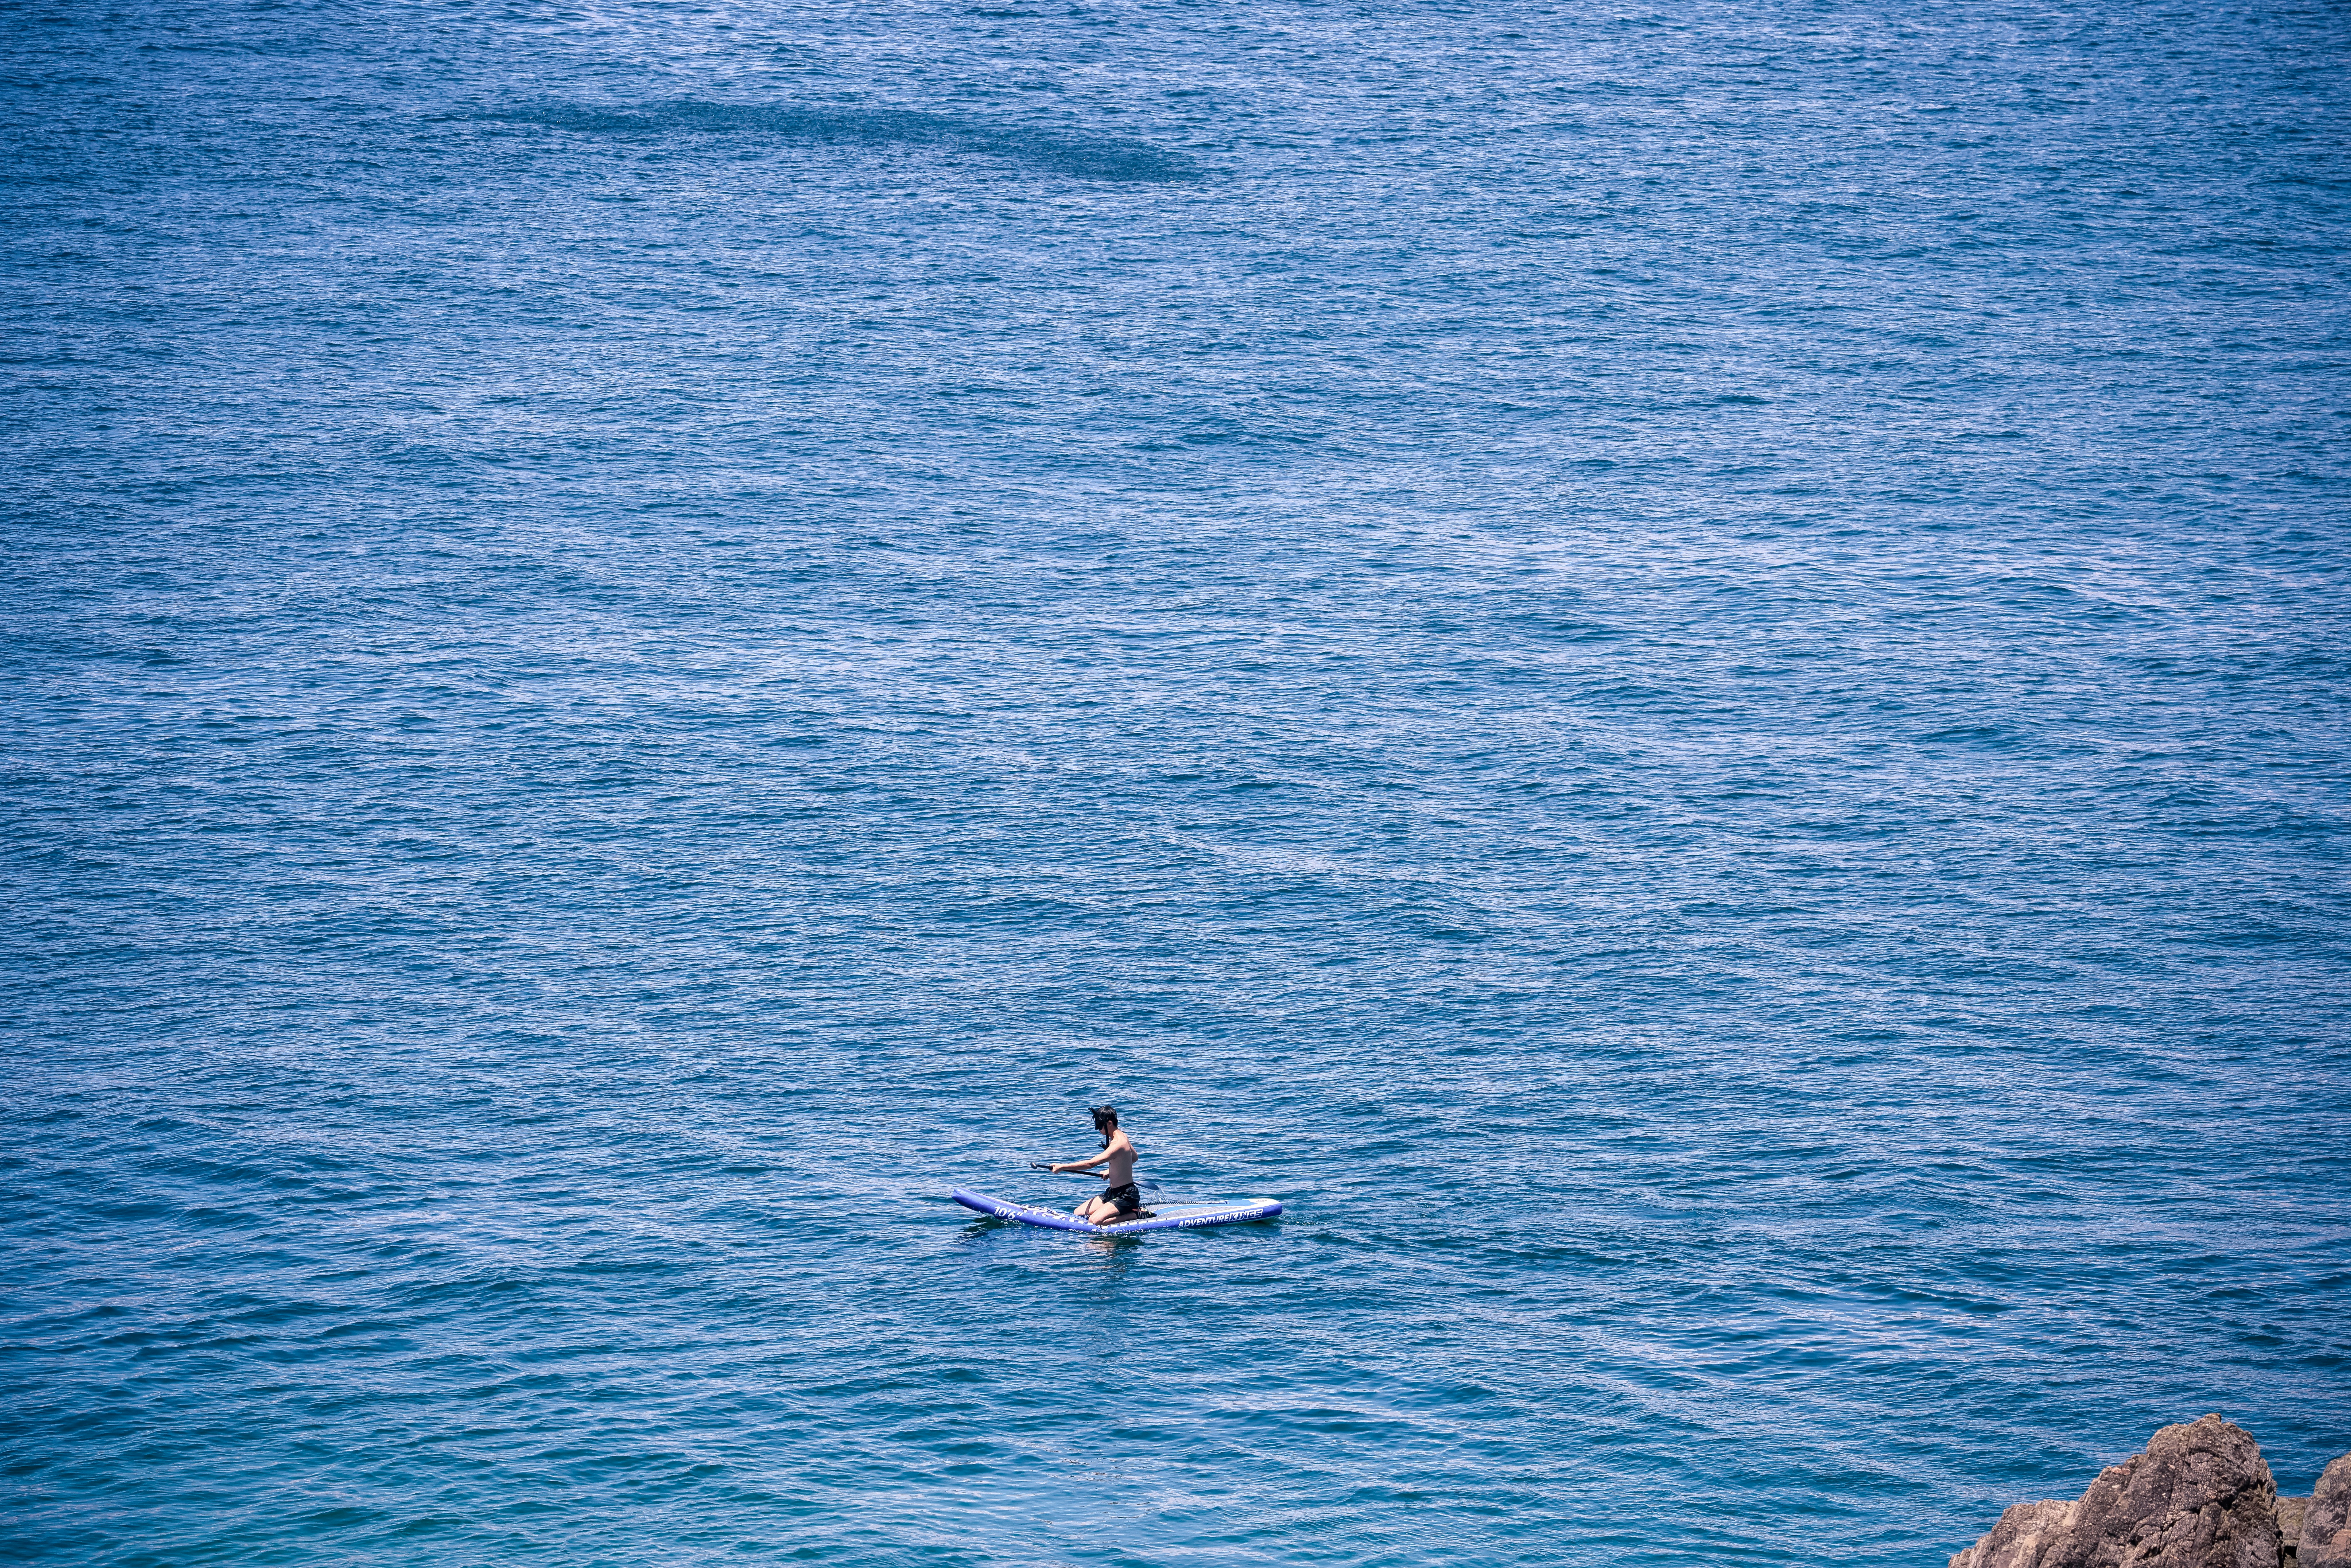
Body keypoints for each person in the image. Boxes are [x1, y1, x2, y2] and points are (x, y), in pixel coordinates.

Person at [1050, 1105, 1149, 1224]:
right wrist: (1110, 1172)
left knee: (1095, 1221)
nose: (1098, 1129)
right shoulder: (1121, 1136)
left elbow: (1091, 1164)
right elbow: (1134, 1158)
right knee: (1078, 1214)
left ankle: (1135, 1214)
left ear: (1110, 1124)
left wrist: (1063, 1167)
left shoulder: (1118, 1144)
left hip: (1127, 1196)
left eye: (1100, 1125)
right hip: (1112, 1193)